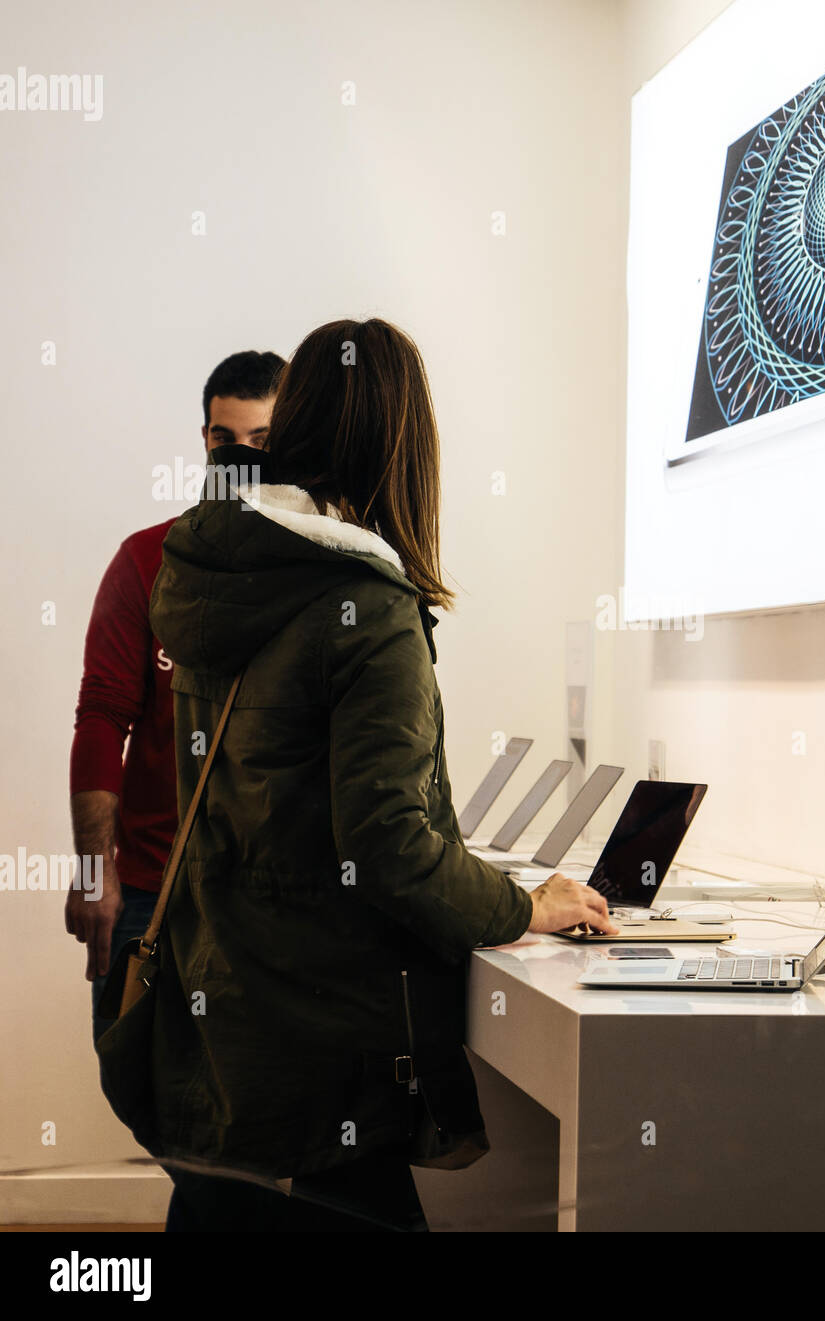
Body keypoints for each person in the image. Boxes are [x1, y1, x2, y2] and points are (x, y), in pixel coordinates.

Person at [145, 318, 616, 1232]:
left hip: (225, 1009)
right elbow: (388, 842)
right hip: (327, 1047)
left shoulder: (218, 578)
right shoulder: (366, 605)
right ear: (406, 444)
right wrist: (525, 907)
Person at [68, 350, 285, 1044]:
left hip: (270, 899)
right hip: (148, 888)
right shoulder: (145, 560)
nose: (240, 460)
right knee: (133, 1077)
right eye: (226, 442)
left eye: (263, 444)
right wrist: (93, 870)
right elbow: (102, 717)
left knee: (253, 1103)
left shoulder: (316, 576)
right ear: (204, 440)